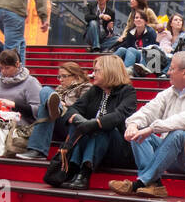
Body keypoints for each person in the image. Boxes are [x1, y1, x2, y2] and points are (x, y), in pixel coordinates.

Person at [108, 53, 185, 199]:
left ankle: (140, 183)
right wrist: (134, 124)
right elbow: (148, 110)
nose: (168, 72)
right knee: (139, 134)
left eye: (172, 69)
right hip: (170, 154)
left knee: (179, 133)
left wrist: (153, 128)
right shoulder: (171, 92)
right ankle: (154, 184)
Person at [58, 56, 138, 190]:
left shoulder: (127, 92)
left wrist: (93, 124)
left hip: (119, 149)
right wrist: (79, 120)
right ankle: (74, 168)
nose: (92, 74)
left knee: (102, 128)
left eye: (97, 71)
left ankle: (84, 172)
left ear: (109, 71)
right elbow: (73, 109)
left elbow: (118, 116)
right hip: (93, 144)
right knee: (80, 124)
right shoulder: (95, 90)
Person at [23, 60, 92, 163]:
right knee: (45, 90)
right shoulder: (59, 89)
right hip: (56, 121)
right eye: (59, 77)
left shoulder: (87, 88)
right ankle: (57, 108)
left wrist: (64, 104)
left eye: (64, 76)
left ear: (76, 76)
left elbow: (82, 109)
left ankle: (38, 150)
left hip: (71, 124)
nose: (61, 80)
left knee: (47, 100)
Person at [116, 10, 159, 75]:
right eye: (136, 18)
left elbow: (155, 49)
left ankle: (125, 72)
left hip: (146, 58)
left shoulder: (151, 32)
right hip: (133, 56)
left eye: (141, 18)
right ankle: (106, 68)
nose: (138, 20)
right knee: (121, 49)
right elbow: (127, 47)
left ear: (145, 21)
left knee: (131, 49)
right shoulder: (130, 32)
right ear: (134, 21)